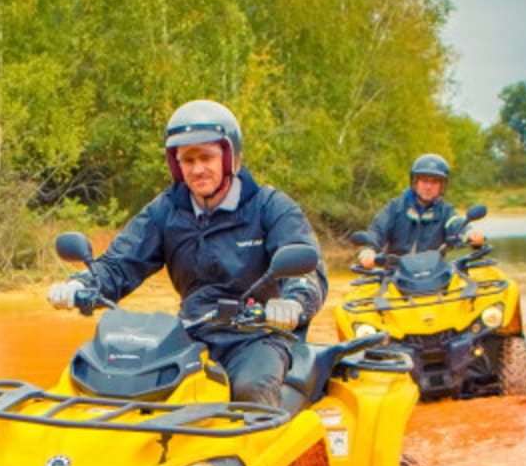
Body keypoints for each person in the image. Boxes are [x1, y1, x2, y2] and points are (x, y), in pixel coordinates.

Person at [47, 99, 327, 408]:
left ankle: (259, 452)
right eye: (187, 160)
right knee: (123, 387)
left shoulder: (270, 207)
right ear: (175, 163)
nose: (198, 169)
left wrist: (292, 301)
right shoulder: (167, 210)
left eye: (207, 157)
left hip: (257, 335)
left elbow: (305, 268)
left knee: (251, 389)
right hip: (190, 332)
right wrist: (82, 285)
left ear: (230, 156)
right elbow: (120, 263)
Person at [357, 153, 484, 269]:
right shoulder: (395, 207)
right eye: (424, 180)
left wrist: (470, 234)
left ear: (442, 186)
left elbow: (456, 225)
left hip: (434, 276)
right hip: (395, 275)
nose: (428, 186)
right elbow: (377, 231)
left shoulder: (446, 211)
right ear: (415, 182)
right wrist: (368, 250)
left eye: (434, 182)